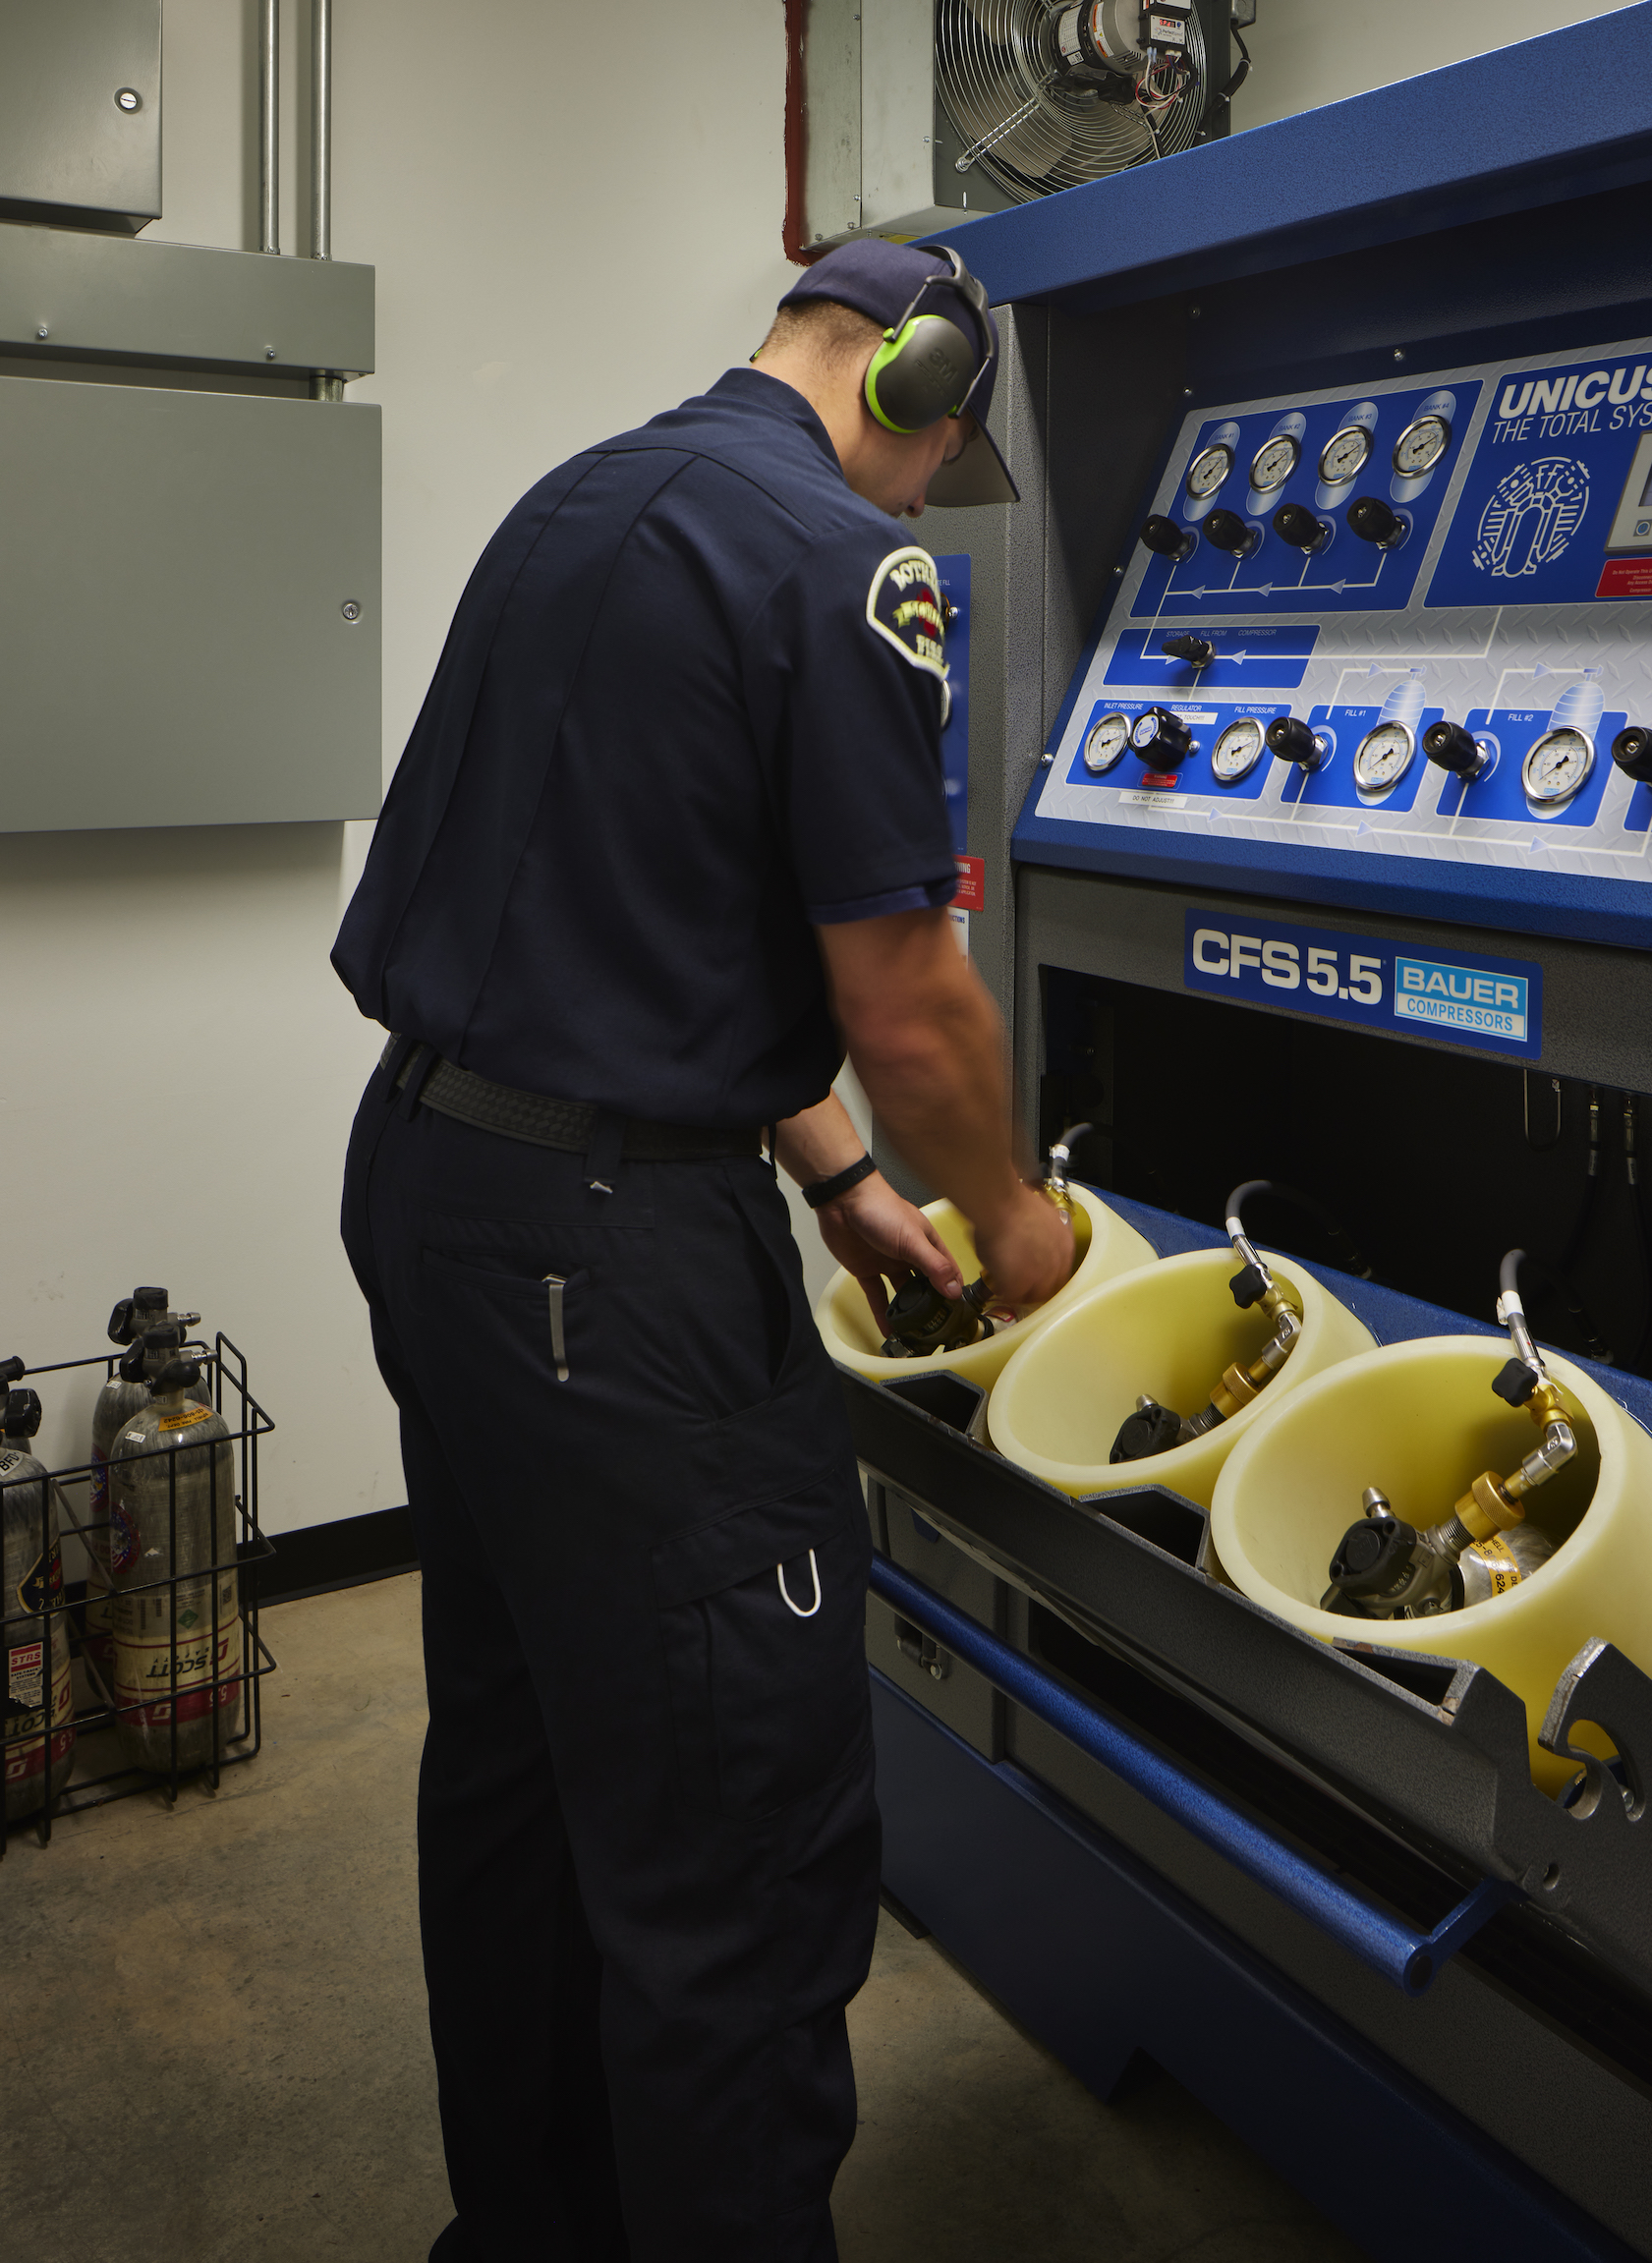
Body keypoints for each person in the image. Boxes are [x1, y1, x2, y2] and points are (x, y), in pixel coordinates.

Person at [331, 238, 1074, 2263]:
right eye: (945, 453)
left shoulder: (578, 502)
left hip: (436, 1189)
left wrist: (835, 1179)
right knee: (738, 1849)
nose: (930, 494)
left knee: (525, 1774)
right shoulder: (842, 563)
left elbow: (632, 901)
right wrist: (1016, 1221)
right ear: (913, 378)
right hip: (612, 1271)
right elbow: (905, 998)